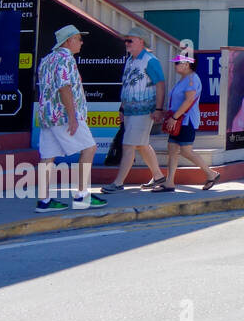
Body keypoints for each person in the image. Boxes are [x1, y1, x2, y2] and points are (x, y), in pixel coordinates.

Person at [33, 25, 108, 213]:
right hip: (64, 115)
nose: (81, 42)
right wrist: (73, 117)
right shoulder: (66, 59)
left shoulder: (47, 59)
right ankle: (82, 195)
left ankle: (44, 201)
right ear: (68, 41)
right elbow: (64, 88)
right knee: (90, 148)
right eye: (78, 38)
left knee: (47, 157)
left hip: (48, 116)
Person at [103, 29, 168, 193]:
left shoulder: (150, 60)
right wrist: (122, 108)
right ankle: (159, 176)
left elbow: (160, 84)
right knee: (142, 145)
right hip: (131, 111)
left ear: (141, 41)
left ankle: (118, 182)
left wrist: (159, 108)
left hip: (143, 111)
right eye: (126, 41)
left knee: (129, 145)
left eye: (129, 41)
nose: (126, 43)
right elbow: (127, 86)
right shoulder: (131, 61)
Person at [155, 55, 223, 192]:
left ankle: (211, 174)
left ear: (186, 65)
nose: (175, 65)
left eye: (177, 63)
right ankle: (169, 182)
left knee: (186, 151)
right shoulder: (185, 79)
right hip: (179, 120)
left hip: (186, 121)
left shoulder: (192, 80)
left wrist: (174, 118)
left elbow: (188, 101)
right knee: (172, 149)